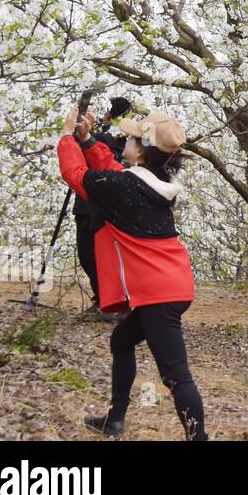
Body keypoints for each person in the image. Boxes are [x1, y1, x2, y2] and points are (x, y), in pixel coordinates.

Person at [57, 106, 207, 441]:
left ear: (140, 150)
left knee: (176, 376)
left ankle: (199, 438)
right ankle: (115, 420)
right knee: (121, 340)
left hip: (159, 292)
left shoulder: (124, 186)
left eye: (132, 136)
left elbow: (75, 174)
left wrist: (68, 137)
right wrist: (88, 139)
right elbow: (112, 172)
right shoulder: (153, 182)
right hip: (171, 283)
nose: (125, 137)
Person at [72, 96, 131, 318]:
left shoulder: (103, 139)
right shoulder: (126, 140)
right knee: (103, 255)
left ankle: (108, 302)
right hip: (110, 206)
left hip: (91, 205)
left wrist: (86, 131)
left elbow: (81, 149)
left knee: (91, 255)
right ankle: (112, 302)